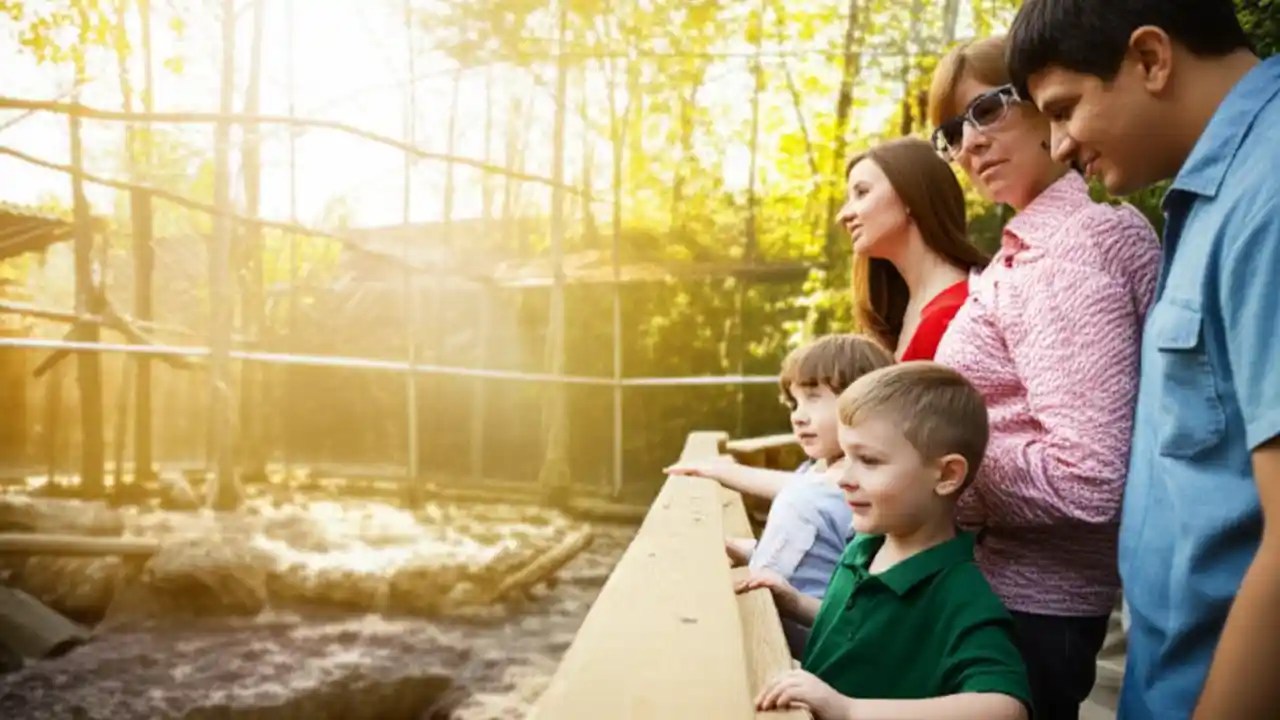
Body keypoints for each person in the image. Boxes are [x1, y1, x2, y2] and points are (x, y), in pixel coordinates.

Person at [1007, 2, 1280, 718]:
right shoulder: (1207, 197)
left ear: (1152, 58)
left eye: (1064, 109)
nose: (1059, 145)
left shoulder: (1270, 190)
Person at [928, 35, 1161, 719]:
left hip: (1031, 609)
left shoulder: (1074, 248)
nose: (969, 145)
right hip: (1001, 591)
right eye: (951, 132)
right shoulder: (1028, 251)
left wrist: (936, 468)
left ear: (1047, 102)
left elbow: (1087, 478)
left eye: (988, 110)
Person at [741, 362, 1030, 720]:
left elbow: (1005, 706)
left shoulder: (958, 593)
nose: (845, 478)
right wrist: (796, 602)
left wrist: (848, 709)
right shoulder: (865, 548)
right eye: (846, 458)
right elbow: (869, 630)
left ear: (946, 475)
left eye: (869, 461)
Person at [665, 334, 892, 655]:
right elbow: (807, 531)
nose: (798, 416)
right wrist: (745, 548)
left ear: (865, 401)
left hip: (816, 653)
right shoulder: (818, 473)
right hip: (772, 628)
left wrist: (725, 472)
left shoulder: (866, 490)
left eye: (814, 397)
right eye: (794, 402)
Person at [837, 138, 987, 362]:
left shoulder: (959, 313)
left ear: (910, 195)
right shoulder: (901, 314)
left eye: (862, 193)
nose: (843, 216)